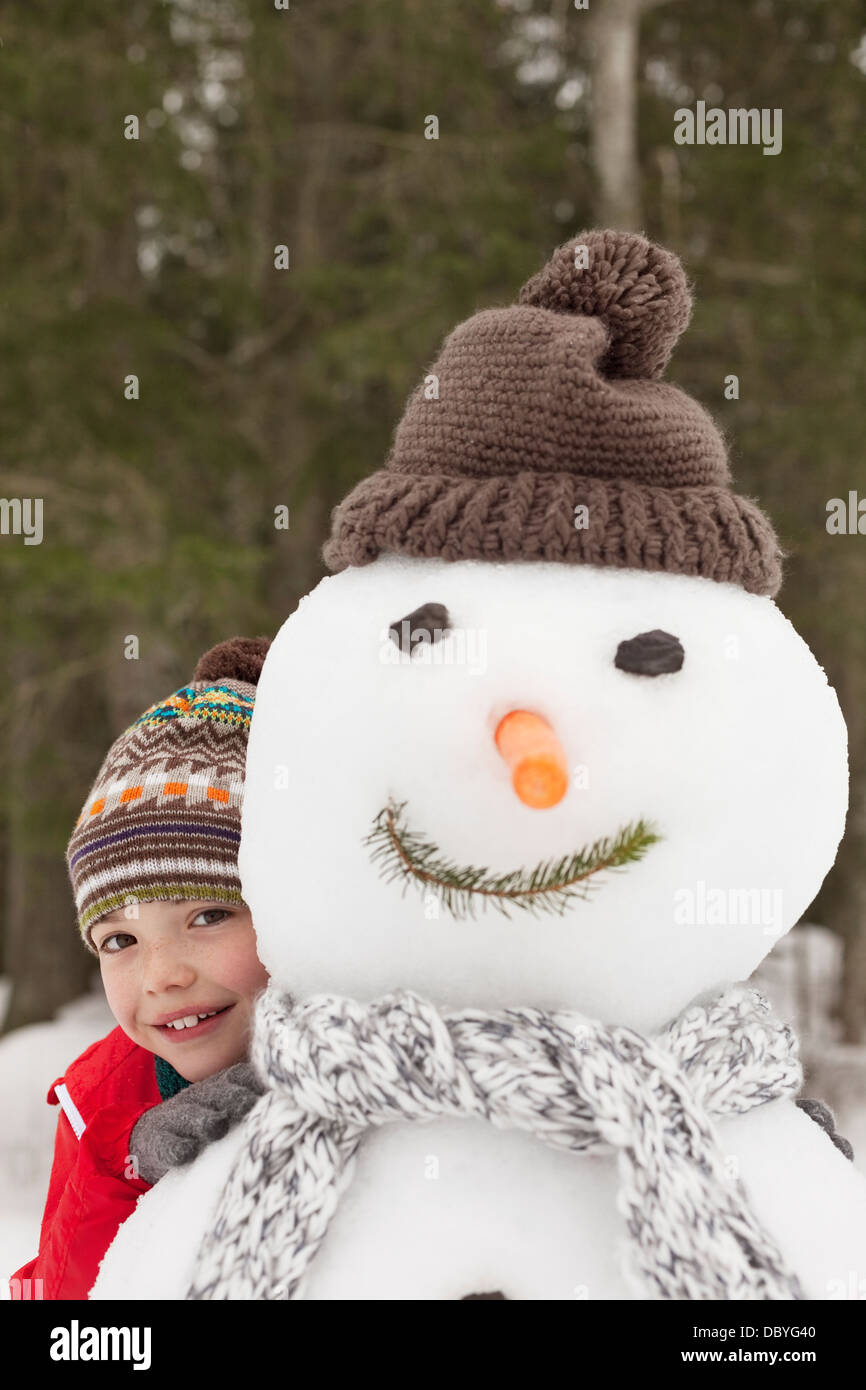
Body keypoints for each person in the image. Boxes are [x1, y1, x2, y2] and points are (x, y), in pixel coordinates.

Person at [9, 636, 271, 1300]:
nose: (161, 978)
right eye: (120, 940)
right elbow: (70, 1312)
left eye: (208, 917)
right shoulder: (102, 1099)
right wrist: (132, 1162)